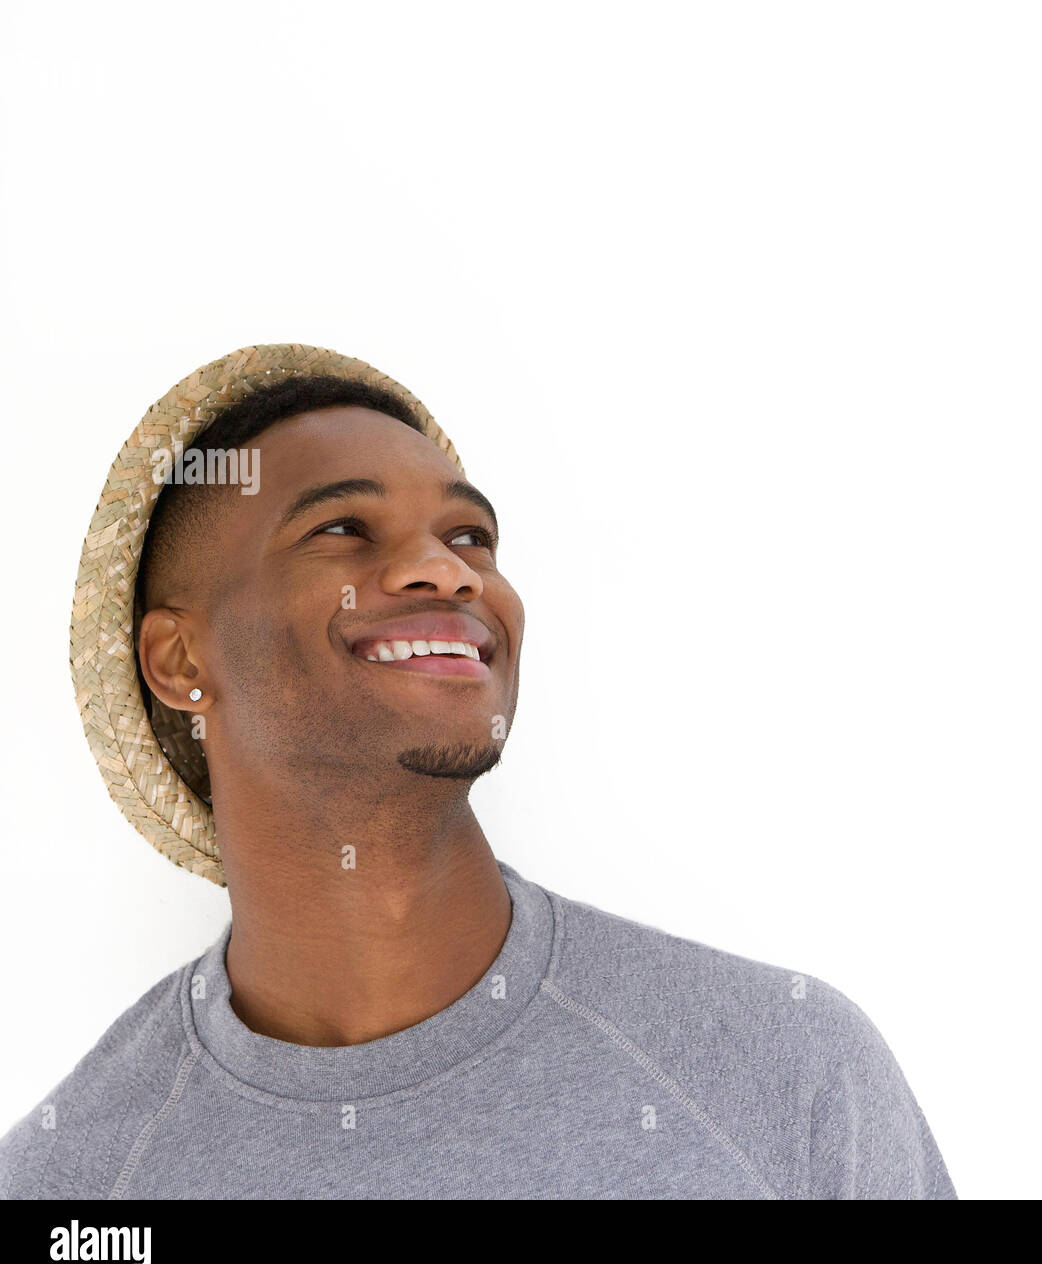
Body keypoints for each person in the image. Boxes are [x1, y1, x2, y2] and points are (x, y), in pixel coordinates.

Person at [0, 344, 956, 1200]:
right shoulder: (73, 1183)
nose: (453, 574)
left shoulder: (786, 1071)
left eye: (470, 539)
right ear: (179, 663)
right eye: (341, 530)